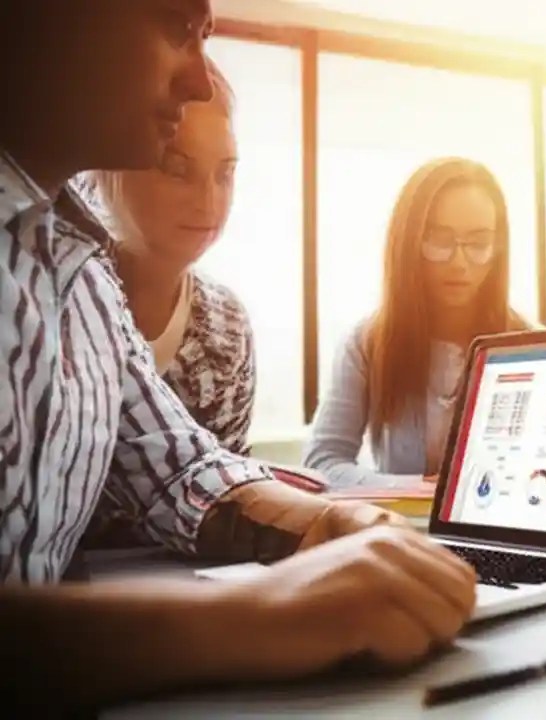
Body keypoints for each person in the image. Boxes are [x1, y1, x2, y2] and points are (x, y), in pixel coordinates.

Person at [0, 2, 475, 711]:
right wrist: (265, 615)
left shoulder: (81, 272)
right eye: (177, 28)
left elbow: (179, 468)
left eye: (226, 172)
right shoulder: (367, 337)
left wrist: (335, 525)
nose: (198, 77)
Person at [304, 157, 530, 489]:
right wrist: (427, 489)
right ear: (409, 241)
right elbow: (322, 463)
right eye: (439, 239)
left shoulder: (530, 346)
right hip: (400, 520)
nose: (459, 262)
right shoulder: (367, 343)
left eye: (479, 243)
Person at [81, 59, 253, 453]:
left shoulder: (226, 326)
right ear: (110, 166)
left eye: (224, 174)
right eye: (177, 168)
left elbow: (229, 473)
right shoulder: (60, 295)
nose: (208, 201)